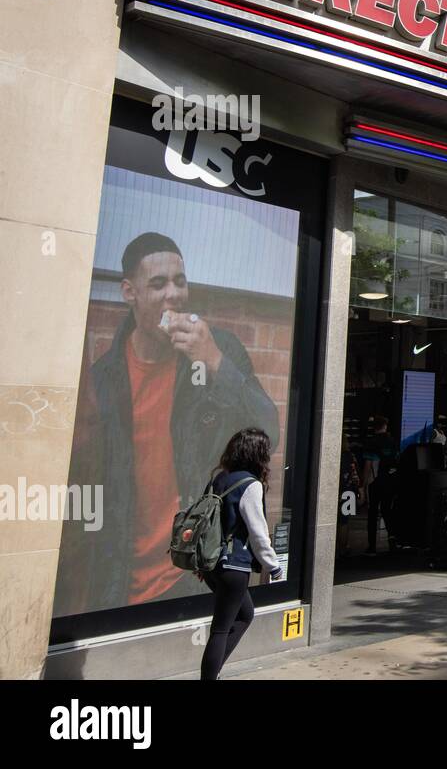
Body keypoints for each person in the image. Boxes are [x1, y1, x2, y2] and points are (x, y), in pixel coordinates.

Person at [59, 231, 279, 613]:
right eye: (158, 284)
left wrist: (212, 361)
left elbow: (268, 431)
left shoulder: (220, 349)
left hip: (193, 566)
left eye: (180, 281)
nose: (173, 294)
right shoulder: (104, 379)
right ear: (130, 293)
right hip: (120, 578)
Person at [199, 428, 285, 680]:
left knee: (244, 614)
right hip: (234, 566)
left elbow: (206, 524)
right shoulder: (250, 485)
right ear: (258, 454)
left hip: (213, 564)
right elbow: (258, 532)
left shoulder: (220, 479)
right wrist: (273, 565)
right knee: (221, 629)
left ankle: (212, 673)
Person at [363, 415, 398, 555]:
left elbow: (368, 465)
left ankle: (372, 546)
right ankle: (392, 542)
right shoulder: (392, 441)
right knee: (387, 510)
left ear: (374, 427)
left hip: (375, 482)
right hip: (389, 481)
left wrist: (362, 483)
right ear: (385, 426)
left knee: (372, 513)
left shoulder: (371, 442)